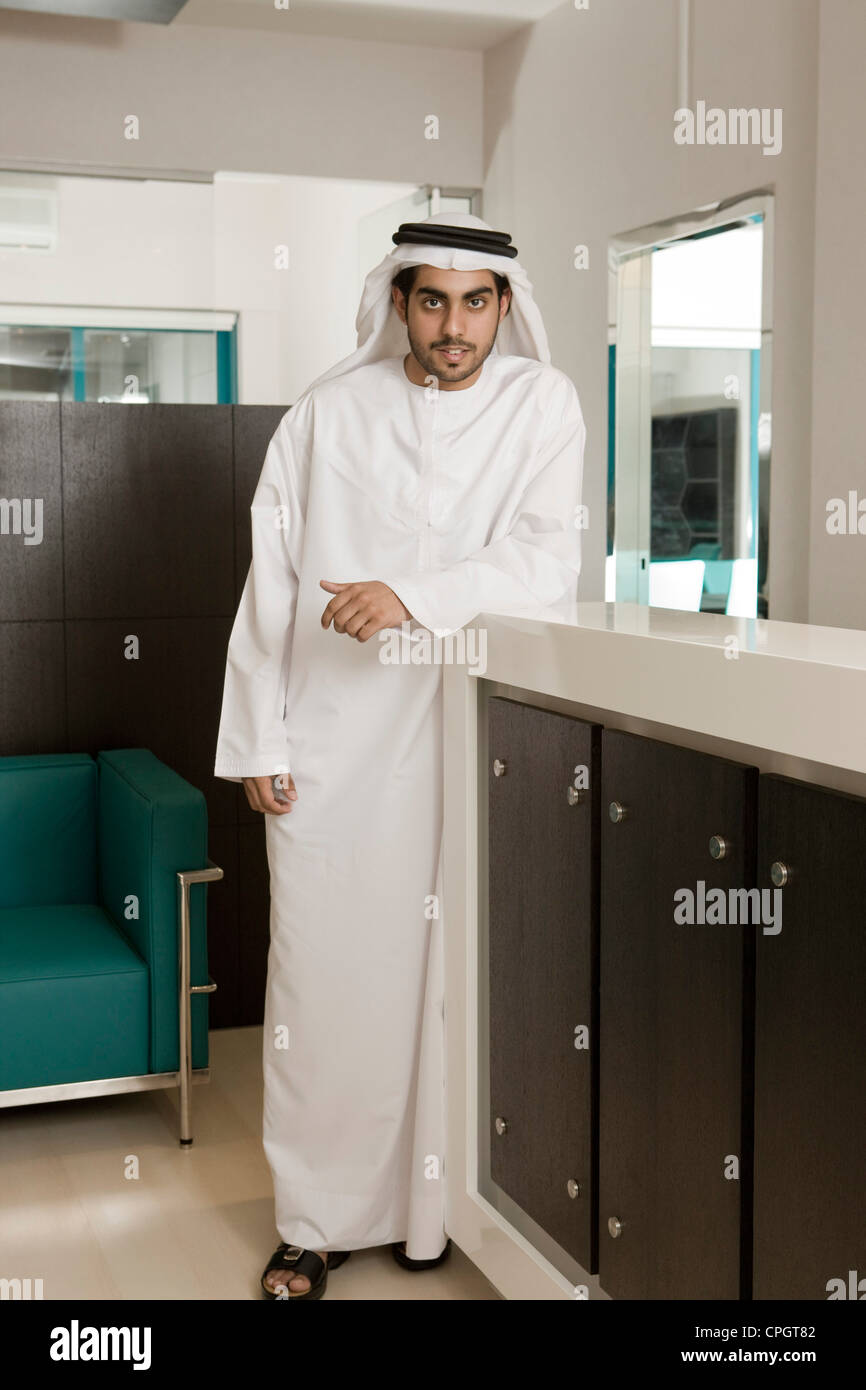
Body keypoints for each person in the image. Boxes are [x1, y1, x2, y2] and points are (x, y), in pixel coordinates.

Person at [213, 212, 587, 1300]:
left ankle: (442, 1217)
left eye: (476, 303)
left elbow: (543, 558)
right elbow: (270, 587)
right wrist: (257, 736)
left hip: (483, 741)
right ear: (397, 301)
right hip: (337, 744)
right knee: (327, 985)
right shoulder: (328, 414)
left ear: (506, 305)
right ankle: (315, 1221)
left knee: (462, 983)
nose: (453, 326)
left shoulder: (541, 405)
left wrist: (412, 597)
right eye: (431, 300)